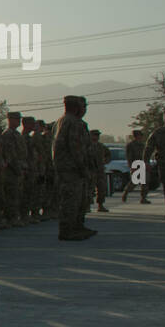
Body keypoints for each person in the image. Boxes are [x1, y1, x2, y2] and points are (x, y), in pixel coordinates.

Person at [52, 95, 95, 240]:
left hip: (68, 168)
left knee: (78, 198)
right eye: (83, 107)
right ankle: (68, 230)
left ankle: (76, 227)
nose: (85, 110)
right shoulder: (73, 123)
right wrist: (84, 168)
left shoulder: (62, 121)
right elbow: (76, 148)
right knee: (71, 199)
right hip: (72, 169)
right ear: (76, 108)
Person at [121, 128, 150, 204]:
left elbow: (146, 155)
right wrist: (131, 166)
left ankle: (143, 198)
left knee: (145, 182)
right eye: (138, 135)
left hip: (142, 164)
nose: (140, 137)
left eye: (140, 135)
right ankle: (126, 193)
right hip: (135, 164)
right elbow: (129, 156)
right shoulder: (131, 145)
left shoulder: (143, 145)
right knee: (134, 182)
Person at [90, 129, 111, 213]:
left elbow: (108, 154)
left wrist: (106, 161)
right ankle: (87, 206)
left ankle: (100, 205)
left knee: (102, 188)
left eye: (97, 135)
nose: (96, 137)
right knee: (89, 189)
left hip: (100, 170)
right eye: (95, 135)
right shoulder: (86, 145)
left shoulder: (101, 146)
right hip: (90, 170)